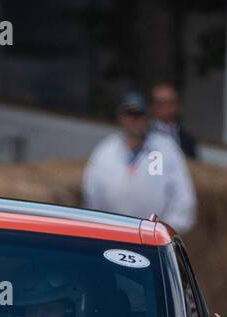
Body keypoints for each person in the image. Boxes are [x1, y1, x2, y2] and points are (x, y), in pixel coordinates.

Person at [82, 91, 196, 233]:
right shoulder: (106, 150)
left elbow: (183, 200)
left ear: (148, 116)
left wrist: (163, 232)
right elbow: (91, 195)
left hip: (154, 240)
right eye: (130, 114)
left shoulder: (165, 148)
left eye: (139, 114)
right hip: (110, 234)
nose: (134, 119)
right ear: (120, 116)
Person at [149, 82, 198, 160]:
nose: (165, 109)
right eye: (160, 104)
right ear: (151, 106)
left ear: (178, 106)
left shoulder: (187, 139)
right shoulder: (142, 135)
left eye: (169, 103)